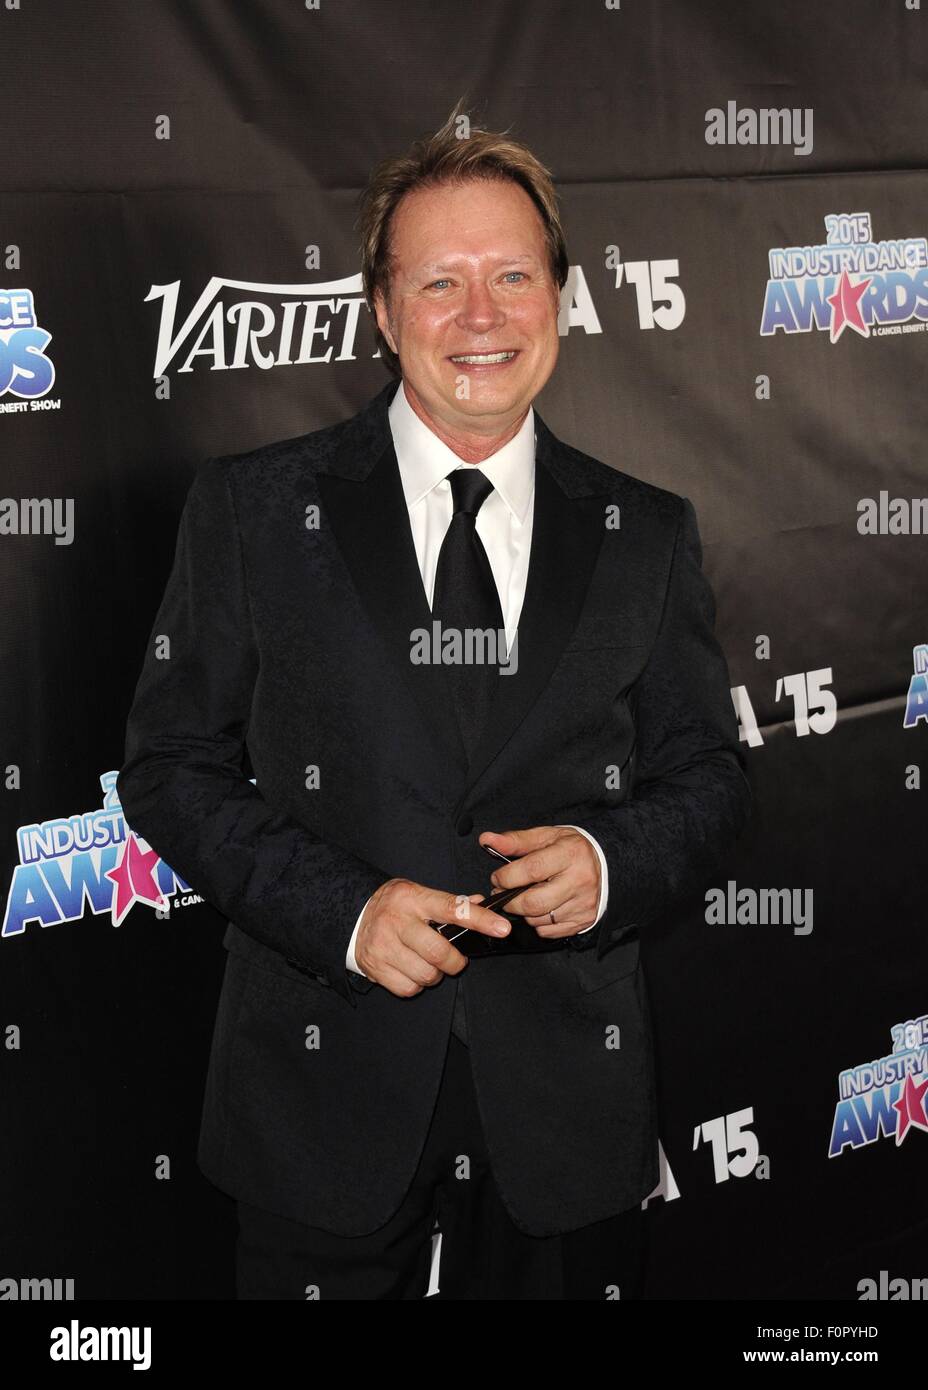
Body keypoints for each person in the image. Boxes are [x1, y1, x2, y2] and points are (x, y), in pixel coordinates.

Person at [116, 104, 751, 1300]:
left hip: (566, 1115)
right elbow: (168, 764)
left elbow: (710, 776)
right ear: (381, 309)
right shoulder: (255, 512)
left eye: (512, 275)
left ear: (558, 297)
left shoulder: (645, 531)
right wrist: (346, 914)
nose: (480, 317)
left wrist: (610, 862)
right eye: (440, 282)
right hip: (320, 1098)